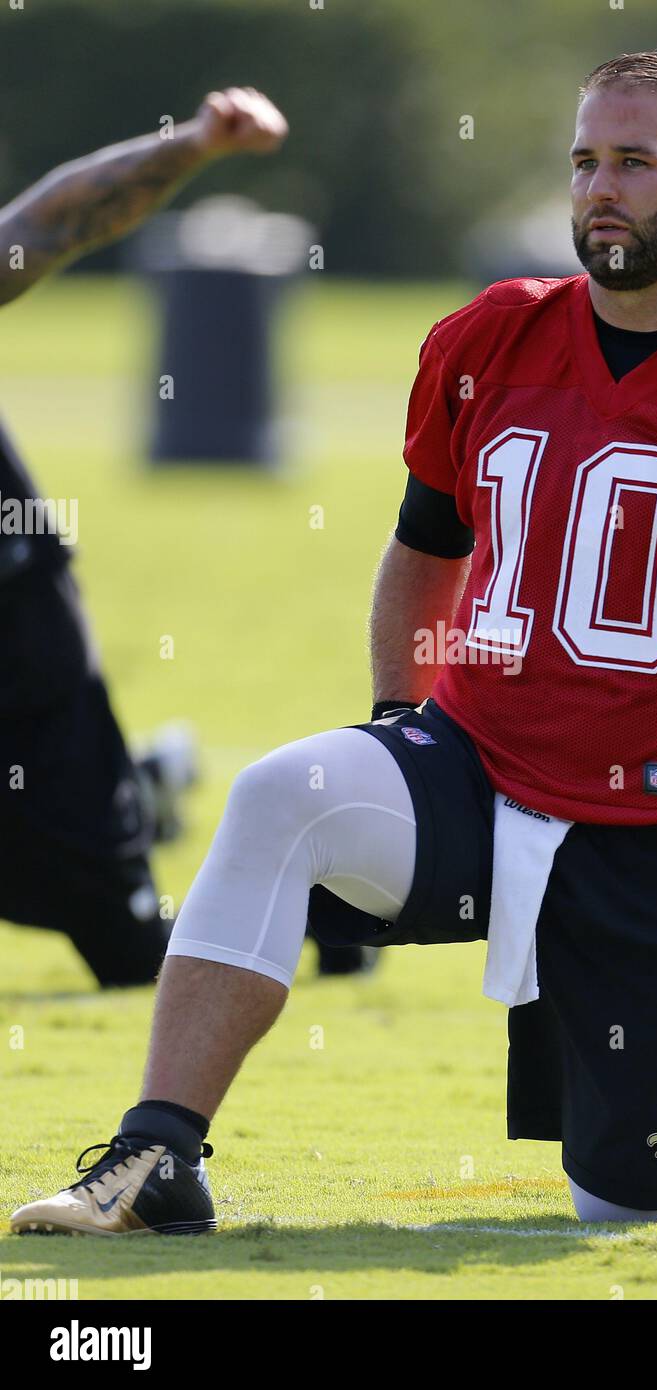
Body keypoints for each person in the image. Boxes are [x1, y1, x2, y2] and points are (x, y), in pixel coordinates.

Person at [11, 50, 657, 1236]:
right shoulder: (493, 337)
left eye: (636, 162)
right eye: (586, 160)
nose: (602, 186)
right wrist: (404, 724)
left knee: (638, 1197)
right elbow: (422, 551)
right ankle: (159, 1155)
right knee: (284, 793)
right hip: (479, 773)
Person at [0, 88, 288, 985]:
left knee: (131, 954)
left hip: (18, 646)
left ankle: (318, 902)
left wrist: (196, 145)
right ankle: (148, 780)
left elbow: (49, 223)